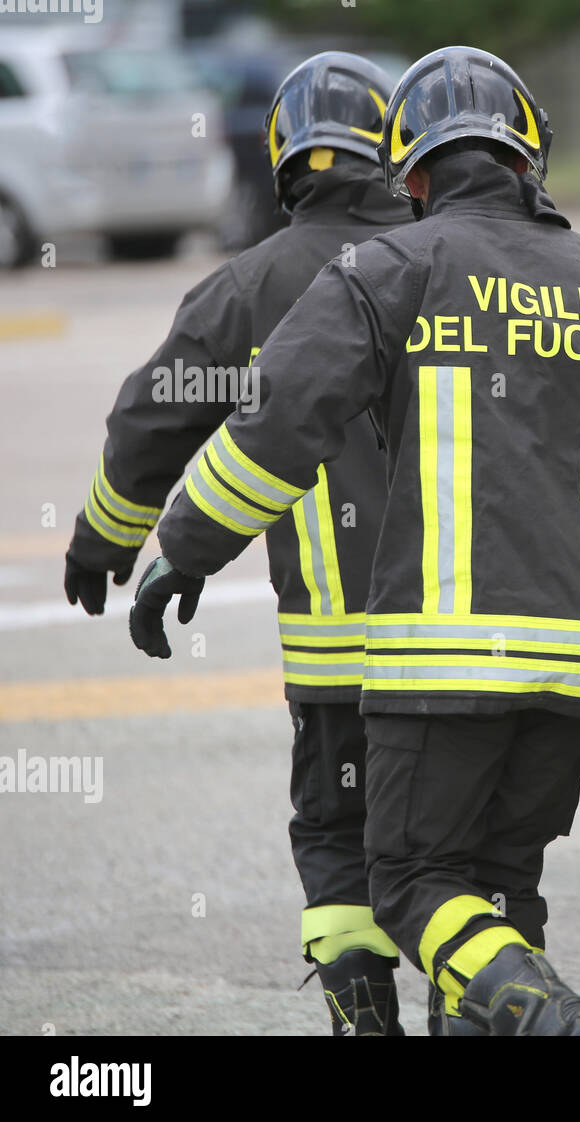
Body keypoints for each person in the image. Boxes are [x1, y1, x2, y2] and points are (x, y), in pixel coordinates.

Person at [127, 46, 580, 1037]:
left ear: (416, 173)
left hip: (443, 661)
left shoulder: (389, 269)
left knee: (410, 881)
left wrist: (183, 545)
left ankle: (557, 1019)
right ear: (531, 161)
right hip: (578, 675)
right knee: (497, 884)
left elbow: (277, 426)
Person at [63, 52, 412, 1035]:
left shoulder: (251, 285)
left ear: (284, 157)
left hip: (340, 650)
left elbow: (150, 421)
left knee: (342, 843)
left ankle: (364, 1017)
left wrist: (105, 536)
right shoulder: (455, 258)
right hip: (491, 640)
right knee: (469, 851)